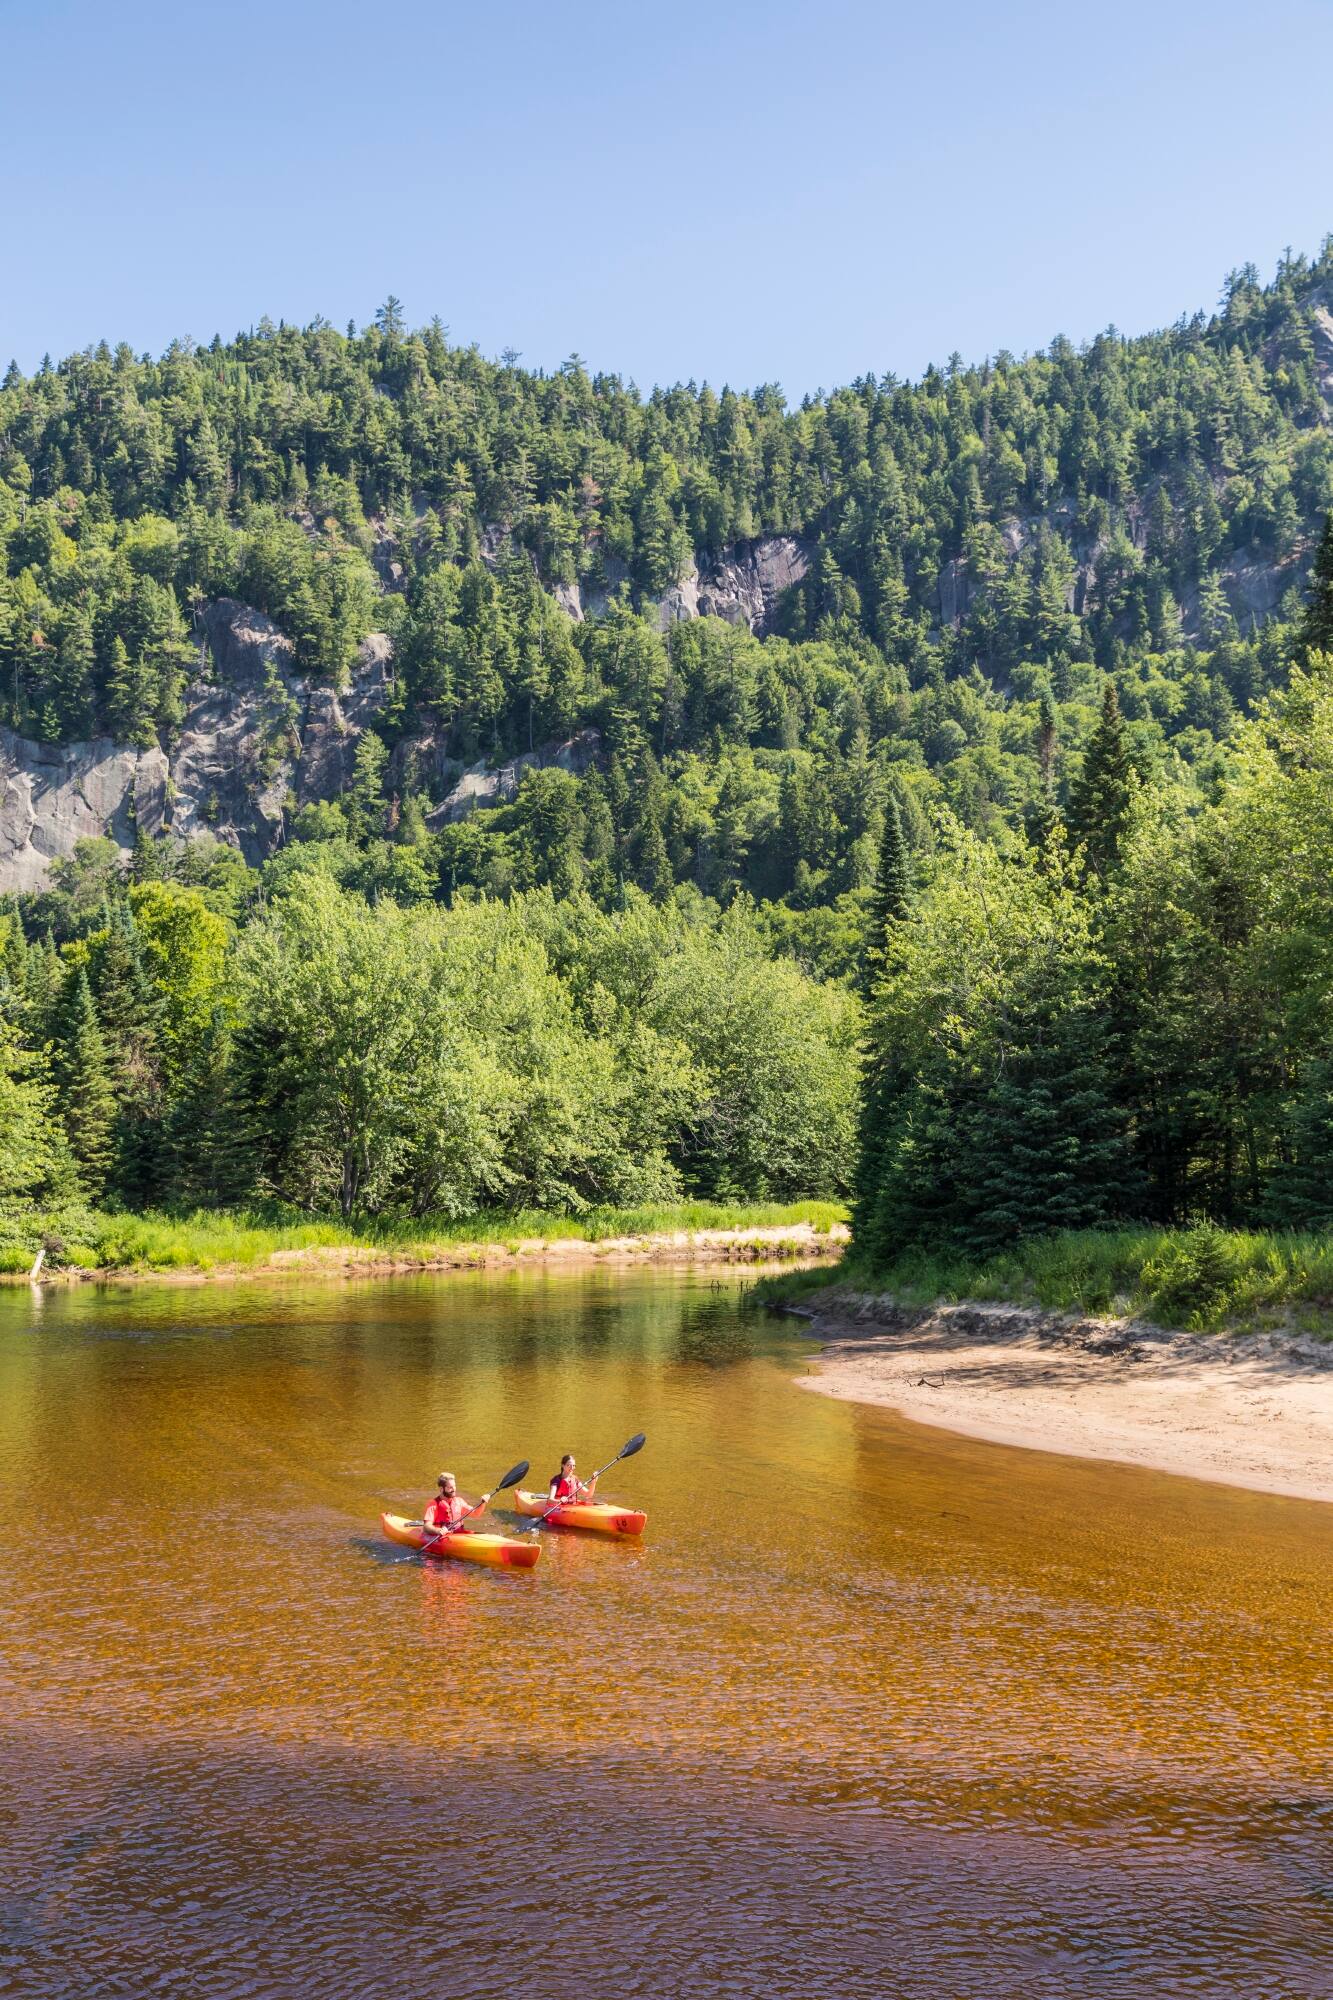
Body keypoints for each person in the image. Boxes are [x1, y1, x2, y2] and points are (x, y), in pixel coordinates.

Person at [422, 1471, 483, 1539]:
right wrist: (438, 1530)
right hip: (441, 1537)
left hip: (458, 1536)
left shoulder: (459, 1502)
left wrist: (483, 1503)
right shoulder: (433, 1504)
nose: (454, 1489)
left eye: (454, 1486)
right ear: (441, 1489)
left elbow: (476, 1514)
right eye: (450, 1487)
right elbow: (426, 1527)